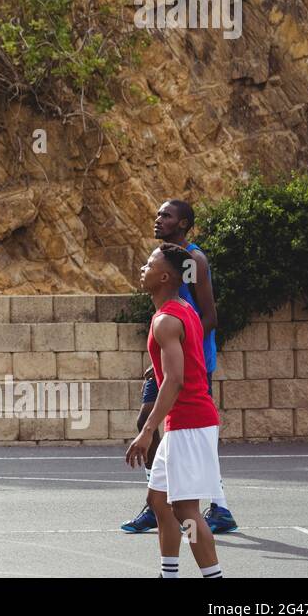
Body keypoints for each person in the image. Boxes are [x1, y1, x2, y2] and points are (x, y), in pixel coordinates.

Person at [121, 199, 238, 535]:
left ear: (184, 223)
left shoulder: (193, 261)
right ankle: (157, 500)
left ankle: (217, 505)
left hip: (191, 358)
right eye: (158, 214)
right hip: (174, 350)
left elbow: (209, 316)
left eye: (166, 215)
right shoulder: (165, 259)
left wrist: (183, 354)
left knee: (190, 426)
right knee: (148, 418)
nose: (158, 219)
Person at [125, 243, 225, 578]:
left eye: (149, 264)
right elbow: (186, 361)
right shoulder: (182, 309)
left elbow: (176, 381)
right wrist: (159, 368)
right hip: (187, 422)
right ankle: (168, 575)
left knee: (186, 512)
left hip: (190, 422)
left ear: (165, 276)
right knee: (159, 502)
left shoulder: (166, 319)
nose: (143, 267)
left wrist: (147, 429)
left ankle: (214, 577)